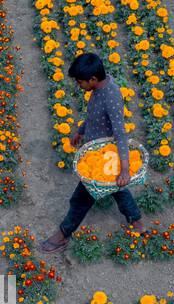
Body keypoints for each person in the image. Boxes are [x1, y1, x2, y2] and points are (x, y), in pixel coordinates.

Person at [41, 53, 141, 253]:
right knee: (118, 190)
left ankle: (63, 234)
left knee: (81, 199)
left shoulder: (111, 97)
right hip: (95, 152)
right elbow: (94, 115)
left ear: (93, 79)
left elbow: (120, 134)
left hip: (103, 157)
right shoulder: (99, 88)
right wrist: (80, 131)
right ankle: (136, 221)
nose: (78, 85)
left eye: (80, 82)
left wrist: (125, 169)